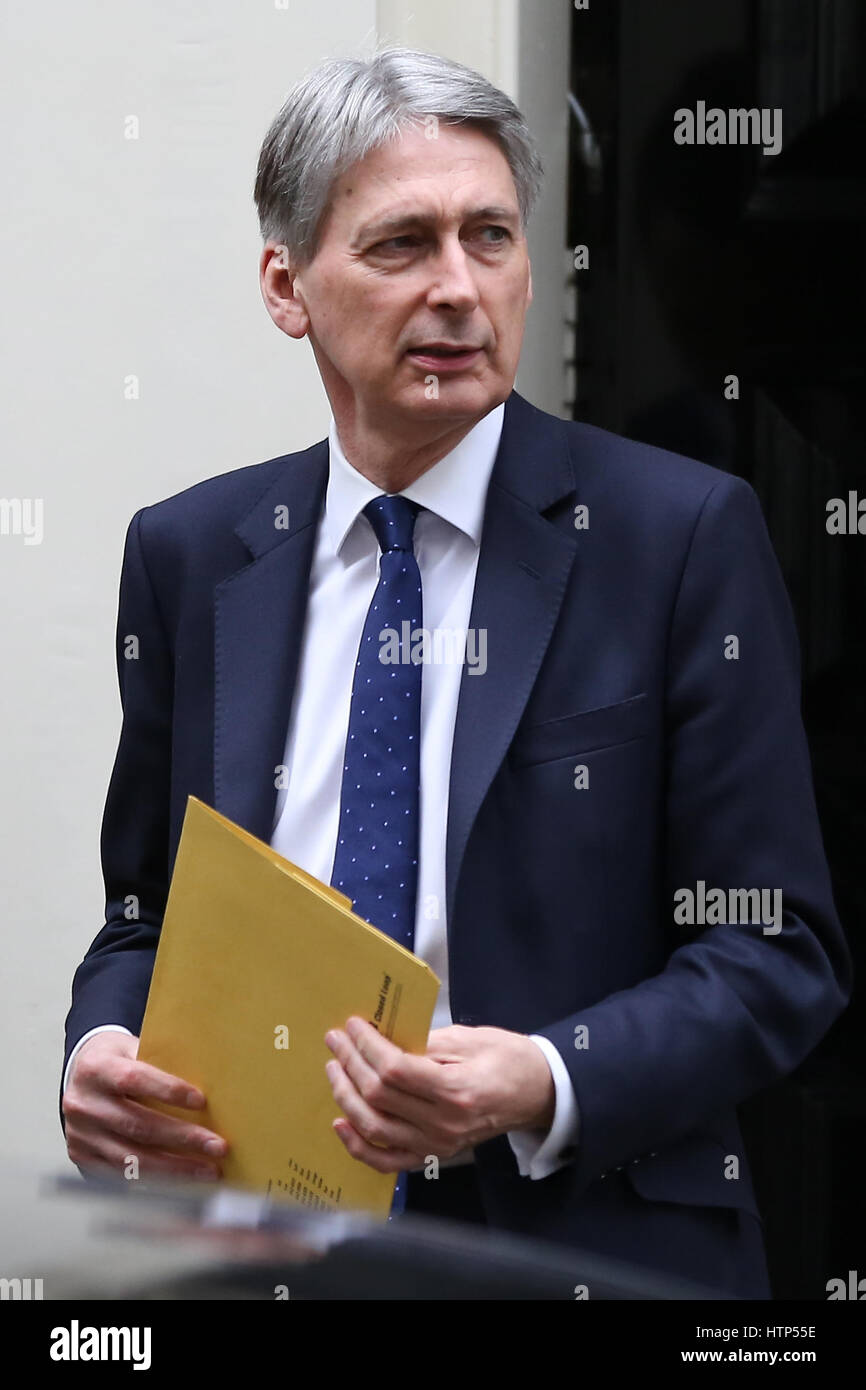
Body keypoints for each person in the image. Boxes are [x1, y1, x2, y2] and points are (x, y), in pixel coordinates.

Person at [61, 47, 850, 1299]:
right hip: (260, 1248)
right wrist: (98, 1049)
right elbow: (147, 912)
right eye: (400, 245)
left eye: (489, 237)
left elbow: (776, 952)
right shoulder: (189, 553)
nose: (458, 290)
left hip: (585, 1247)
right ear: (287, 284)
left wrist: (544, 1075)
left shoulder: (675, 535)